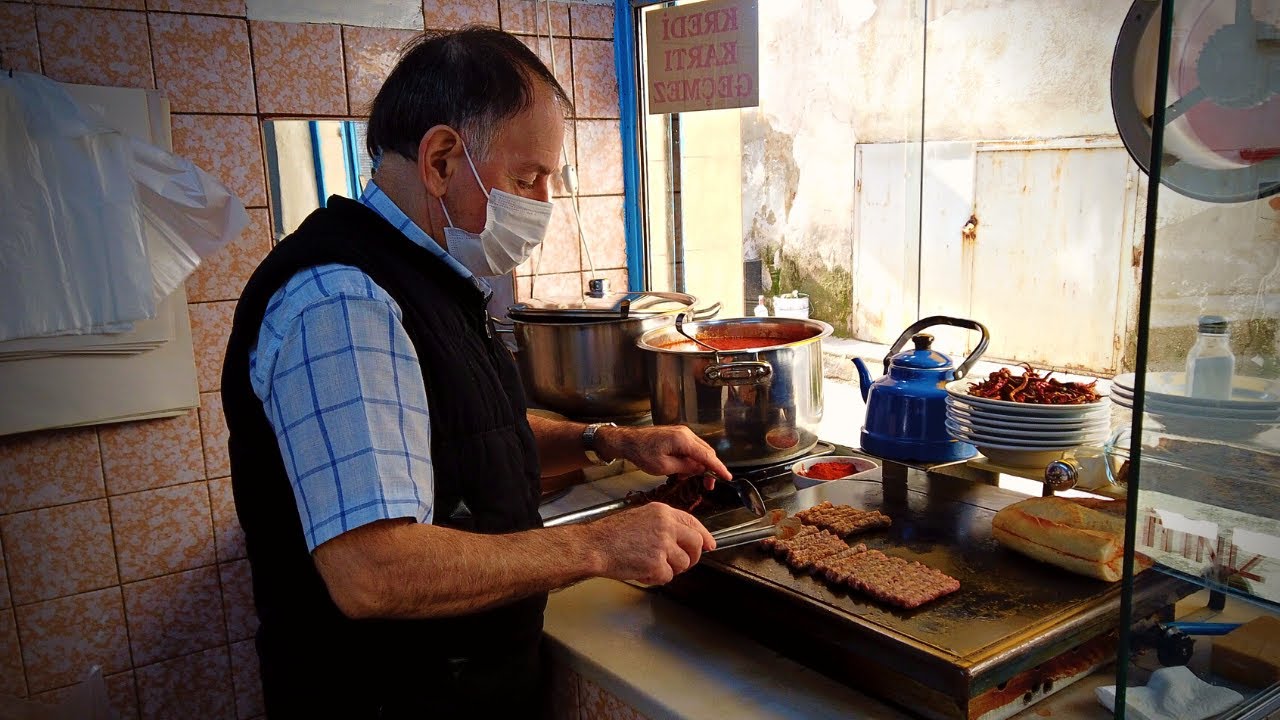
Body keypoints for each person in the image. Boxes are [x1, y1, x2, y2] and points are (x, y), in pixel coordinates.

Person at [220, 26, 732, 718]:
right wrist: (596, 546)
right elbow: (372, 571)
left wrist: (609, 441)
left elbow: (457, 430)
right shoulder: (344, 301)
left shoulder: (430, 278)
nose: (545, 204)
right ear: (440, 160)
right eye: (528, 179)